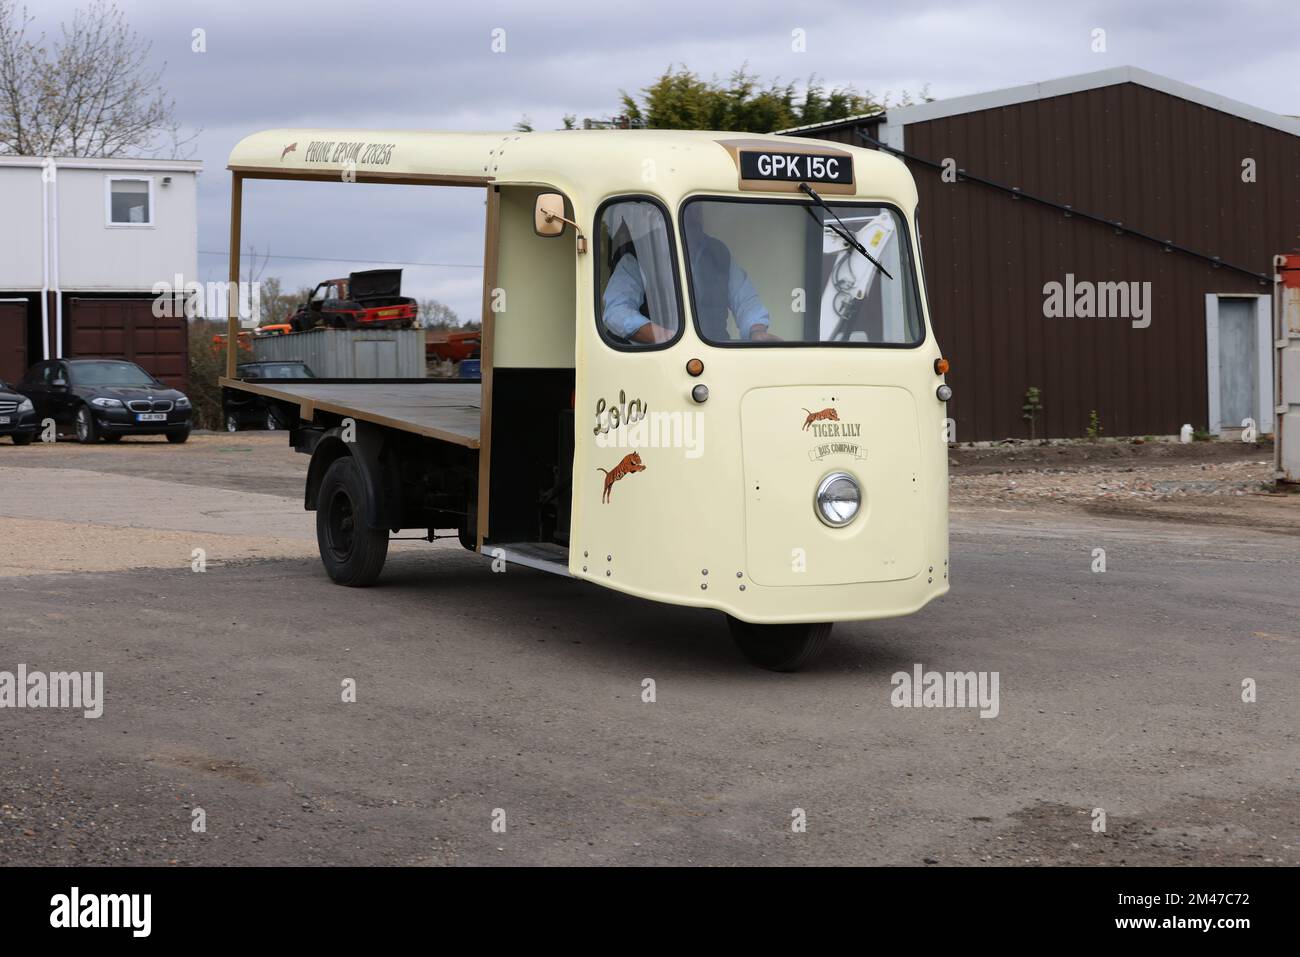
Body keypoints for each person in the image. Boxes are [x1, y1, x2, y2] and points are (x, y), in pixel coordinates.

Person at [601, 206, 780, 344]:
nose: (694, 216)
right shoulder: (639, 253)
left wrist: (757, 332)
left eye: (697, 209)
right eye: (688, 211)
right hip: (658, 359)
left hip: (715, 353)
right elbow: (616, 310)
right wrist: (663, 336)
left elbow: (746, 299)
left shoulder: (718, 252)